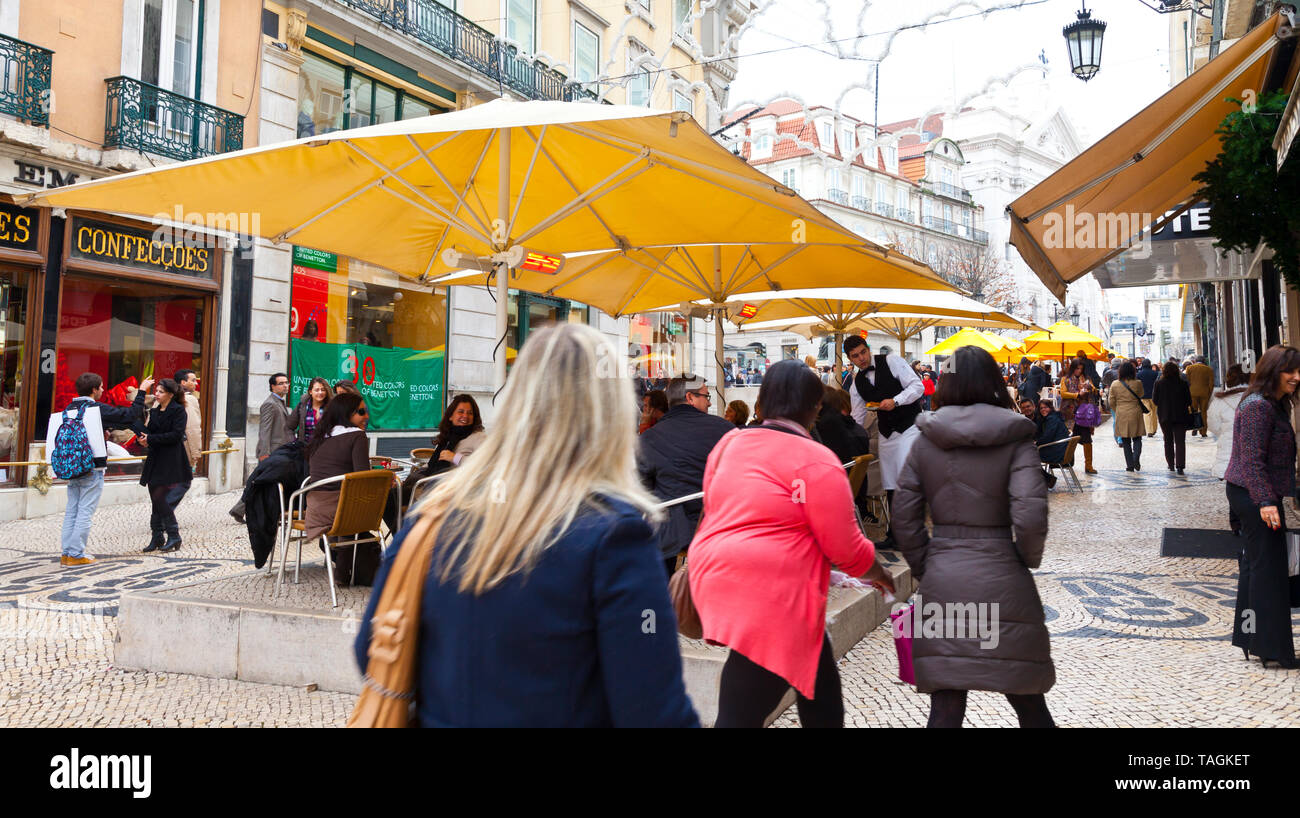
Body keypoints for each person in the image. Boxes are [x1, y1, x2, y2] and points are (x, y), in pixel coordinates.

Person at [354, 324, 698, 727]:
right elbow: (653, 709)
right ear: (611, 413)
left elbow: (371, 649)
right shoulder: (615, 536)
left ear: (516, 405)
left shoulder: (436, 513)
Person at [688, 360, 895, 728]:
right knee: (742, 711)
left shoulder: (730, 443)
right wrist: (879, 572)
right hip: (771, 594)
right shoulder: (816, 460)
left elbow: (713, 506)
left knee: (820, 689)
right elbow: (845, 547)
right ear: (815, 407)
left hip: (716, 575)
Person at [893, 344, 1054, 728]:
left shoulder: (925, 439)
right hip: (1002, 575)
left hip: (945, 577)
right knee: (1028, 699)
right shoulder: (1016, 438)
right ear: (994, 382)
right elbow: (1031, 513)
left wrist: (924, 565)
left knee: (946, 705)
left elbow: (904, 512)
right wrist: (1024, 558)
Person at [1224, 345, 1300, 669]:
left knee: (1255, 568)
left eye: (1298, 371)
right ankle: (1273, 649)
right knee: (1268, 571)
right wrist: (1266, 502)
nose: (1296, 377)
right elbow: (1251, 459)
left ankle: (1249, 636)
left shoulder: (1271, 403)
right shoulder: (1259, 407)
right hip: (1256, 495)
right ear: (1272, 372)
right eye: (1289, 371)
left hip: (1250, 493)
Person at [637, 376, 735, 574]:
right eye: (706, 396)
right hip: (721, 528)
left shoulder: (650, 438)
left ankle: (664, 599)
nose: (709, 402)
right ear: (690, 397)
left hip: (670, 535)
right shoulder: (726, 431)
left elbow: (640, 488)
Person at [52, 373, 143, 566]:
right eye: (101, 387)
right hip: (92, 467)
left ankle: (67, 552)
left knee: (72, 511)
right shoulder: (95, 408)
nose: (102, 390)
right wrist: (141, 391)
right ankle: (77, 554)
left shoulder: (70, 408)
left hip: (73, 466)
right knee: (85, 511)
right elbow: (129, 415)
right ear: (94, 389)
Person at [843, 335, 923, 548]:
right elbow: (857, 418)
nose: (861, 358)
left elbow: (918, 387)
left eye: (863, 352)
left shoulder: (892, 361)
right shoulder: (856, 384)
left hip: (910, 426)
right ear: (850, 359)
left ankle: (912, 533)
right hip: (887, 432)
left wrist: (896, 401)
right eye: (855, 356)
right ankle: (894, 535)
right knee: (890, 482)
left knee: (907, 478)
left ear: (868, 349)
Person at [303, 392, 375, 585]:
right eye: (361, 412)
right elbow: (362, 478)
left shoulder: (321, 436)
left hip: (315, 509)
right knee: (385, 501)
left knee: (352, 505)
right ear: (347, 414)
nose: (366, 416)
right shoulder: (357, 436)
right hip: (340, 509)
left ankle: (343, 570)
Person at [134, 378, 192, 553]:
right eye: (156, 391)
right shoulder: (155, 410)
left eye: (160, 391)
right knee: (155, 499)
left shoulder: (178, 411)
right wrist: (143, 439)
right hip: (155, 458)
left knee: (161, 498)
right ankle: (157, 536)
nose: (156, 394)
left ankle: (174, 535)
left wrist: (151, 439)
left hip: (172, 459)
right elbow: (151, 431)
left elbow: (176, 435)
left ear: (170, 394)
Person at [230, 373, 293, 524]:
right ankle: (242, 509)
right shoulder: (270, 404)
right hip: (272, 452)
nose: (285, 386)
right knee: (260, 483)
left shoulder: (280, 402)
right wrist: (264, 453)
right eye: (281, 383)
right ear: (273, 386)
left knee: (262, 483)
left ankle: (240, 509)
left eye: (286, 383)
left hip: (279, 452)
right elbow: (264, 431)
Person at [1208, 364, 1248, 534]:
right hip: (1251, 446)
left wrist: (1225, 433)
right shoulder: (1257, 396)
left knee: (1234, 481)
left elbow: (1213, 425)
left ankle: (1236, 522)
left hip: (1229, 447)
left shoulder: (1220, 400)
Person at [1059, 359, 1099, 475]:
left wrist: (1089, 387)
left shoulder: (1086, 378)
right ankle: (1068, 462)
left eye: (1081, 369)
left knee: (1087, 439)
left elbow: (1094, 390)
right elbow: (1063, 393)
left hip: (1084, 414)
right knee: (1071, 439)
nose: (1079, 371)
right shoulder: (1065, 379)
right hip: (1070, 414)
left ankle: (1089, 465)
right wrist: (1077, 394)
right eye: (1077, 368)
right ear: (1073, 368)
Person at [1153, 361, 1193, 474]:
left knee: (1168, 440)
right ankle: (1180, 466)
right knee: (1180, 441)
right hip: (1181, 416)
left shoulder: (1159, 383)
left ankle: (1171, 464)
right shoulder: (1183, 383)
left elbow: (1155, 400)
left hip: (1165, 416)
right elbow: (1189, 401)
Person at [430, 395, 485, 473]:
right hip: (436, 480)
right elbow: (434, 464)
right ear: (450, 416)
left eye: (470, 413)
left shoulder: (479, 437)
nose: (465, 416)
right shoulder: (447, 437)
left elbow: (484, 465)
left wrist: (455, 458)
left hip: (458, 483)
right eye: (461, 412)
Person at [1108, 361, 1147, 472]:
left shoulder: (1115, 384)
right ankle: (1136, 459)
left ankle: (1130, 465)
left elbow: (1111, 401)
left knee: (1125, 441)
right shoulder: (1138, 383)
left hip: (1121, 413)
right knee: (1137, 438)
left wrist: (1118, 409)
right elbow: (1141, 394)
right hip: (1135, 412)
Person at [174, 369, 203, 470]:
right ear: (183, 382)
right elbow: (192, 427)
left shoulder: (163, 397)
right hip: (181, 449)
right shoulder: (189, 399)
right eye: (193, 380)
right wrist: (195, 453)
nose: (196, 383)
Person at [288, 377, 331, 442]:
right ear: (310, 392)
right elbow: (289, 427)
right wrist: (294, 442)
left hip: (325, 448)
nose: (320, 392)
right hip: (305, 448)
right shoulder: (302, 405)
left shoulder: (331, 406)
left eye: (323, 390)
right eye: (317, 390)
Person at [1185, 355, 1214, 439]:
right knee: (1203, 412)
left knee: (1193, 411)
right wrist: (1209, 393)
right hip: (1204, 393)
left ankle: (1194, 427)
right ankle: (1203, 431)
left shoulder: (1189, 368)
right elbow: (1211, 384)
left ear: (1195, 361)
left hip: (1192, 393)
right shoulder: (1209, 369)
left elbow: (1187, 381)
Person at [1034, 399, 1070, 465]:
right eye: (1041, 408)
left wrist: (1036, 443)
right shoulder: (1056, 416)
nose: (1043, 410)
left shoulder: (1051, 419)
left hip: (1057, 454)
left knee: (1029, 454)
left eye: (1046, 407)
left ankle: (1037, 474)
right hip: (1062, 451)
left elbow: (1047, 438)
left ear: (1050, 408)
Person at [1136, 359, 1160, 437]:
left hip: (1143, 396)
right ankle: (1154, 429)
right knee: (1154, 413)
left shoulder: (1139, 374)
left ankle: (1149, 430)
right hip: (1154, 395)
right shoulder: (1155, 373)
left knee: (1147, 413)